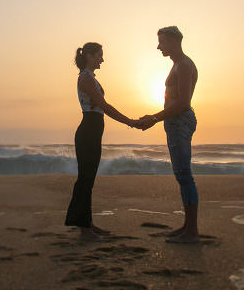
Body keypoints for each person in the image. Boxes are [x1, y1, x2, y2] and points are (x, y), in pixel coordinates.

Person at [65, 42, 138, 241]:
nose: (102, 59)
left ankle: (87, 224)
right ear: (89, 56)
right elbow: (104, 106)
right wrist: (130, 122)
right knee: (85, 179)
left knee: (88, 179)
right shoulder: (85, 78)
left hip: (93, 130)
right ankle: (84, 229)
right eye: (99, 55)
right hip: (88, 129)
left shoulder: (90, 78)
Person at [137, 26, 200, 243]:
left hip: (180, 121)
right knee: (181, 174)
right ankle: (187, 227)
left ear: (173, 41)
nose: (158, 46)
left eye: (161, 42)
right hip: (175, 122)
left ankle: (192, 231)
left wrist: (154, 118)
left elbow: (183, 103)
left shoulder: (183, 65)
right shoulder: (177, 64)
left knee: (184, 174)